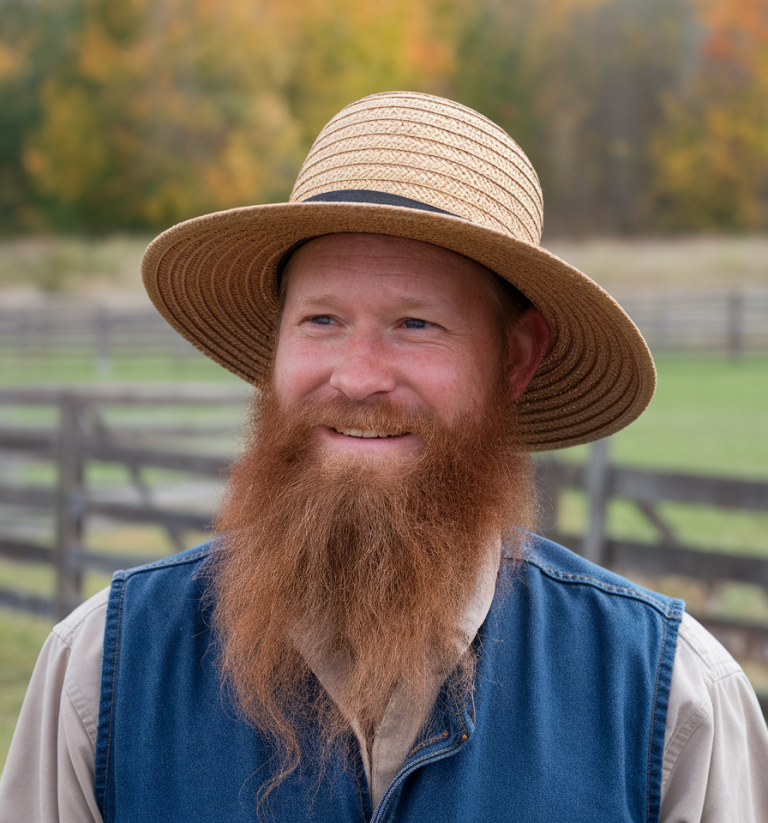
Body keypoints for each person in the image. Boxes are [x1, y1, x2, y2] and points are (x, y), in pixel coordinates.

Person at [1, 91, 767, 823]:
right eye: (322, 319)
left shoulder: (670, 705)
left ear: (516, 359)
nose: (358, 375)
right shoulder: (101, 673)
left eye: (415, 324)